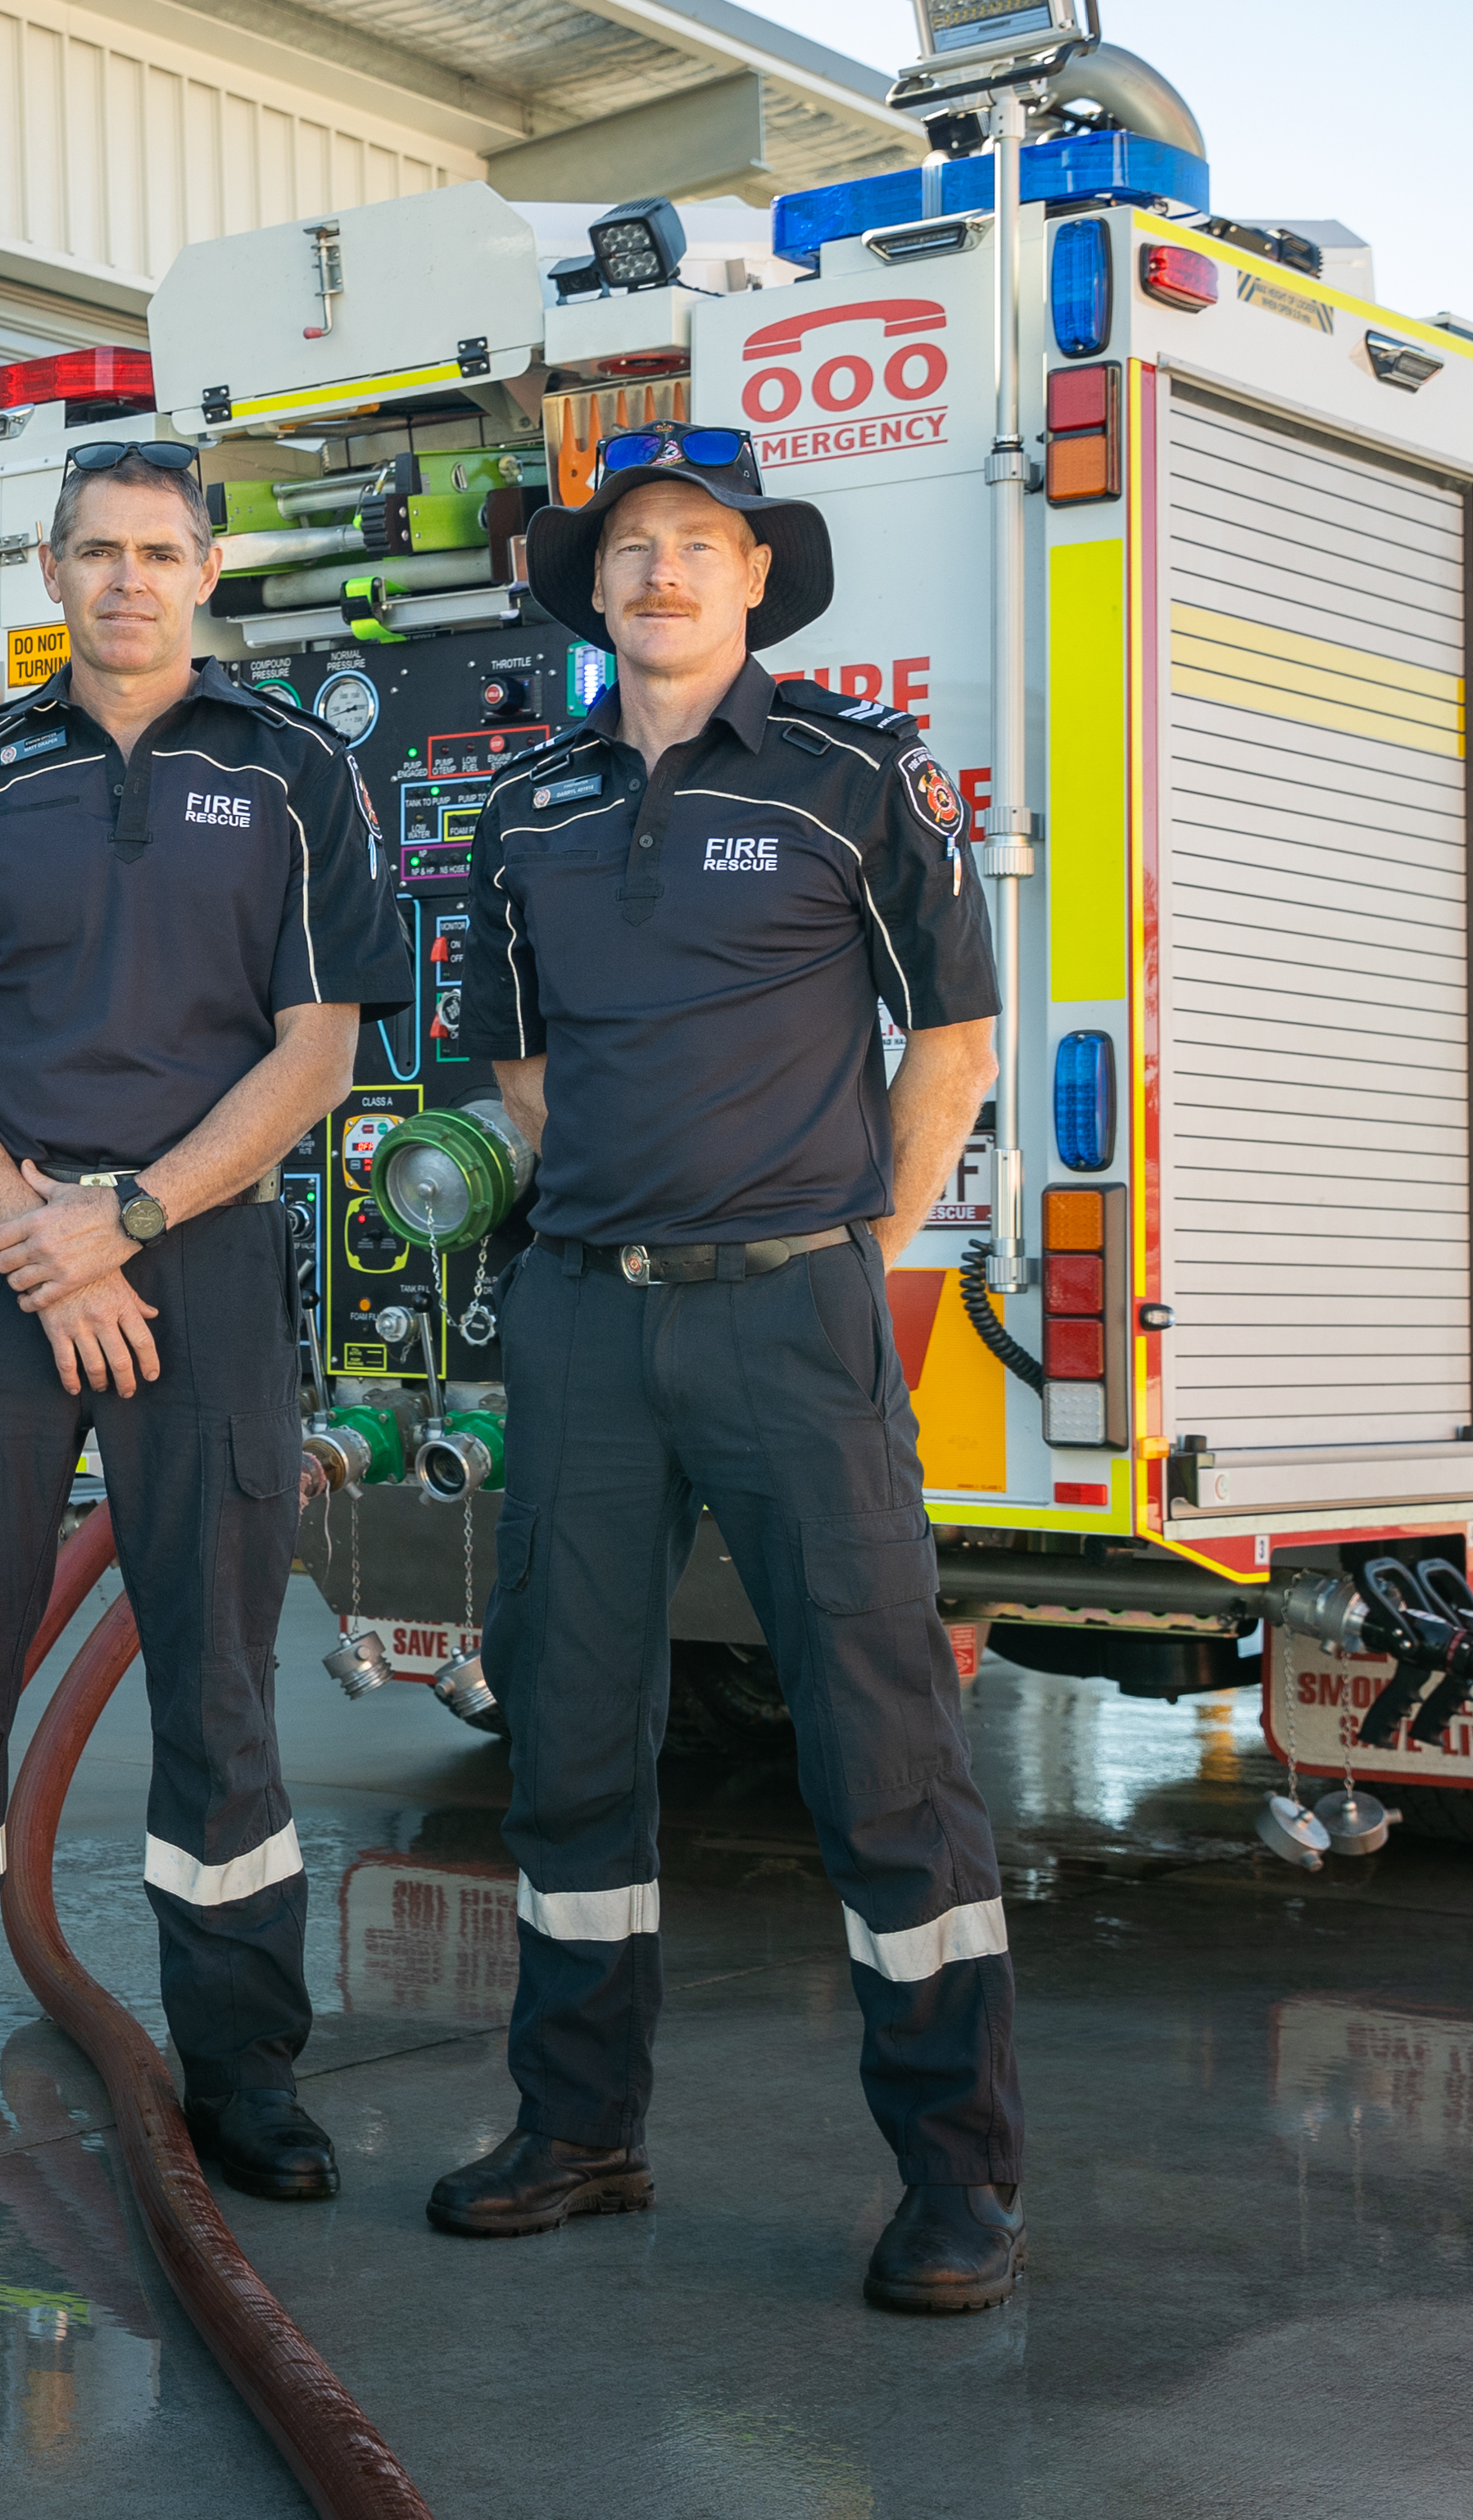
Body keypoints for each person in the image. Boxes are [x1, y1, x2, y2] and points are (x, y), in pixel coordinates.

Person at [433, 422, 1024, 2313]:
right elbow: (517, 1071)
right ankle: (575, 2124)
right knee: (565, 1728)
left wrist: (849, 1245)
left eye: (699, 540)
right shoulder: (524, 807)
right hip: (584, 1316)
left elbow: (953, 1037)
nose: (662, 569)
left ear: (756, 576)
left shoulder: (855, 773)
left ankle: (954, 2176)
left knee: (878, 1738)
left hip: (791, 1314)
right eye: (629, 544)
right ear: (590, 587)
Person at [0, 432, 403, 2199]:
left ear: (206, 573)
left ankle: (242, 2076)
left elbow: (318, 1051)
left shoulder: (296, 770)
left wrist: (130, 1216)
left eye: (158, 551)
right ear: (51, 569)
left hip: (201, 1260)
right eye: (95, 550)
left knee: (218, 1682)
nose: (126, 580)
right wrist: (42, 1233)